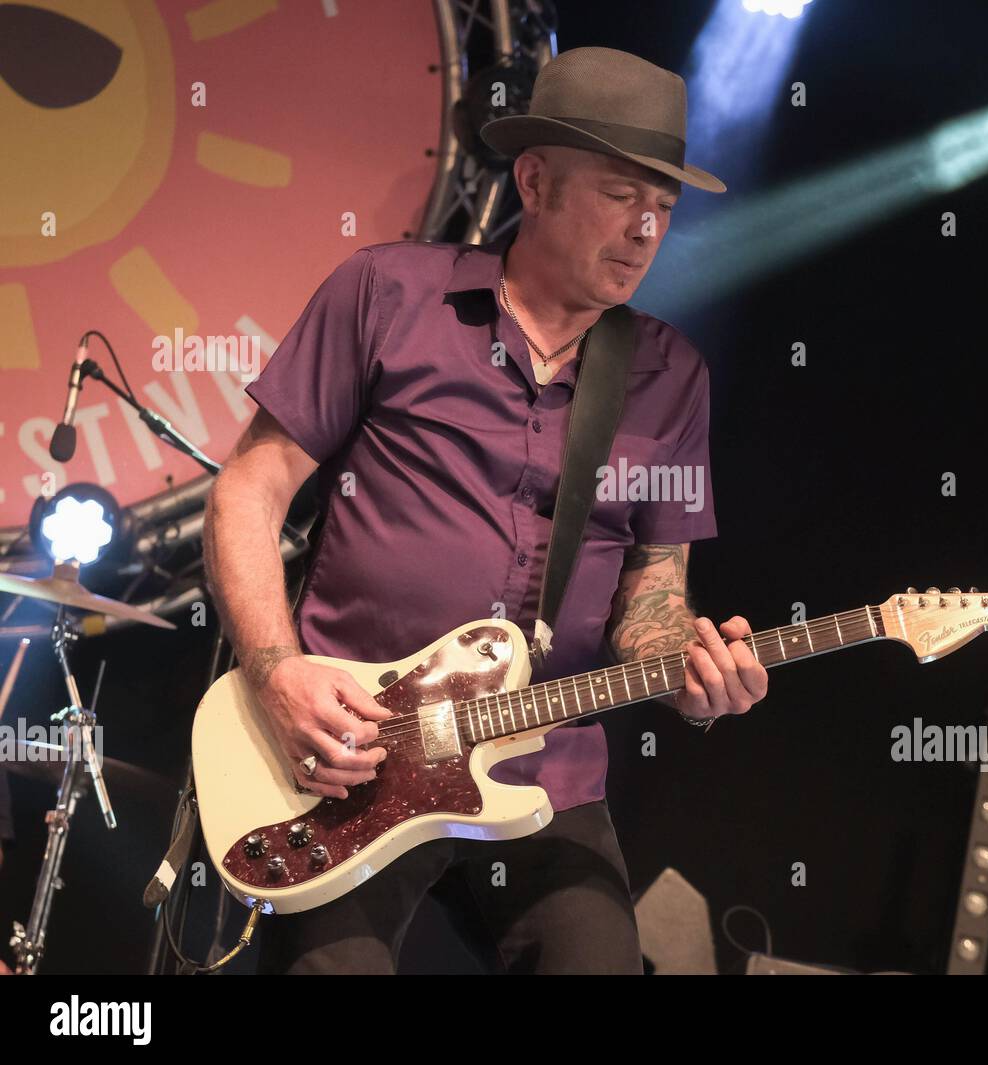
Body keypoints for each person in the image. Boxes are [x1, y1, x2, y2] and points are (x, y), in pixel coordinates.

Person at [202, 46, 767, 975]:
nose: (647, 227)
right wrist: (276, 675)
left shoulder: (673, 377)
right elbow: (247, 488)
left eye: (664, 205)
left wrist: (692, 671)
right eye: (622, 193)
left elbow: (656, 595)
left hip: (546, 773)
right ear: (535, 181)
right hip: (352, 753)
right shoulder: (388, 294)